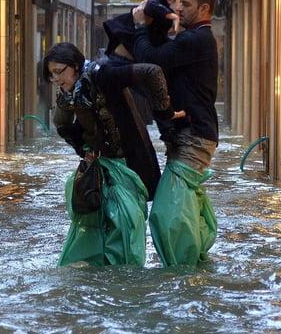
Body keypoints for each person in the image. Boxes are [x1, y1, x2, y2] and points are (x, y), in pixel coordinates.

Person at [44, 42, 183, 266]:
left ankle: (126, 279)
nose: (56, 79)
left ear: (76, 66)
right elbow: (61, 123)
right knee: (97, 223)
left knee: (128, 224)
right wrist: (83, 148)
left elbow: (152, 71)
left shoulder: (102, 75)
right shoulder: (68, 95)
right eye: (52, 75)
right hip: (100, 168)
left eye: (59, 72)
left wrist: (164, 112)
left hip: (130, 164)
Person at [132, 0, 219, 267]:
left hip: (193, 137)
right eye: (177, 3)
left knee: (166, 214)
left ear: (204, 8)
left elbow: (152, 60)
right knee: (183, 207)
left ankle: (184, 271)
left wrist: (141, 27)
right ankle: (195, 263)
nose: (178, 9)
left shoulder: (196, 39)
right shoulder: (193, 37)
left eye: (186, 5)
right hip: (190, 135)